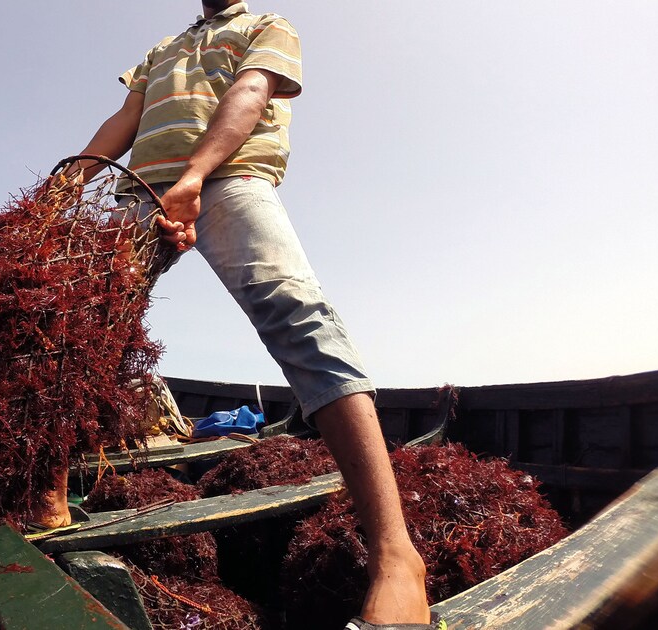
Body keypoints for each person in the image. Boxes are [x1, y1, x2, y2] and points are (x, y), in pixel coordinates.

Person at [48, 1, 435, 626]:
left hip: (229, 177)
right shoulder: (163, 48)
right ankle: (47, 488)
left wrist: (195, 175)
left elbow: (253, 90)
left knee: (298, 319)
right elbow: (128, 115)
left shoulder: (268, 28)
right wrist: (73, 177)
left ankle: (396, 557)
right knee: (77, 333)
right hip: (137, 194)